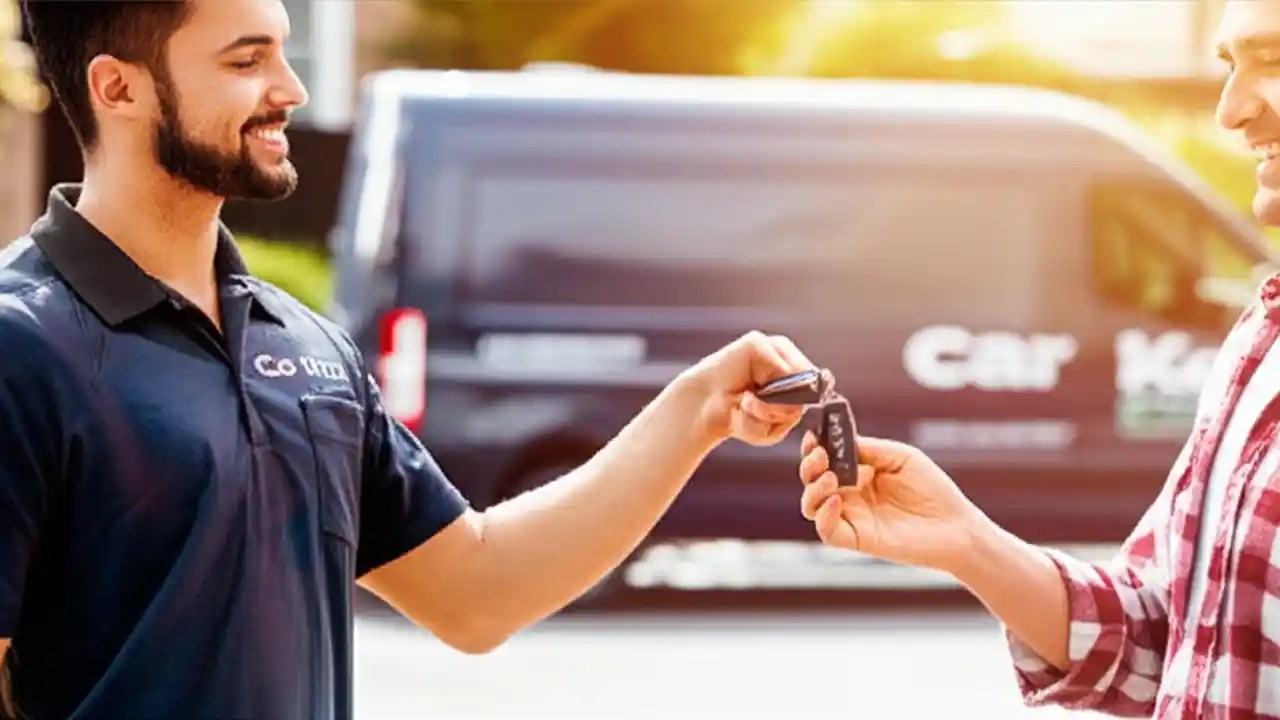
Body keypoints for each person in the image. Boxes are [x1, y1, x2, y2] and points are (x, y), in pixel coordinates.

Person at [0, 1, 815, 718]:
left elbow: (479, 591)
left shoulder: (306, 346)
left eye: (283, 52)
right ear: (119, 88)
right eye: (246, 61)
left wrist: (696, 410)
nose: (292, 88)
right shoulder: (21, 346)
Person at [796, 2, 1280, 716]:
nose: (1230, 110)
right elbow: (1164, 636)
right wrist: (966, 543)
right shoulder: (1261, 340)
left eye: (1271, 60)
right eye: (1230, 66)